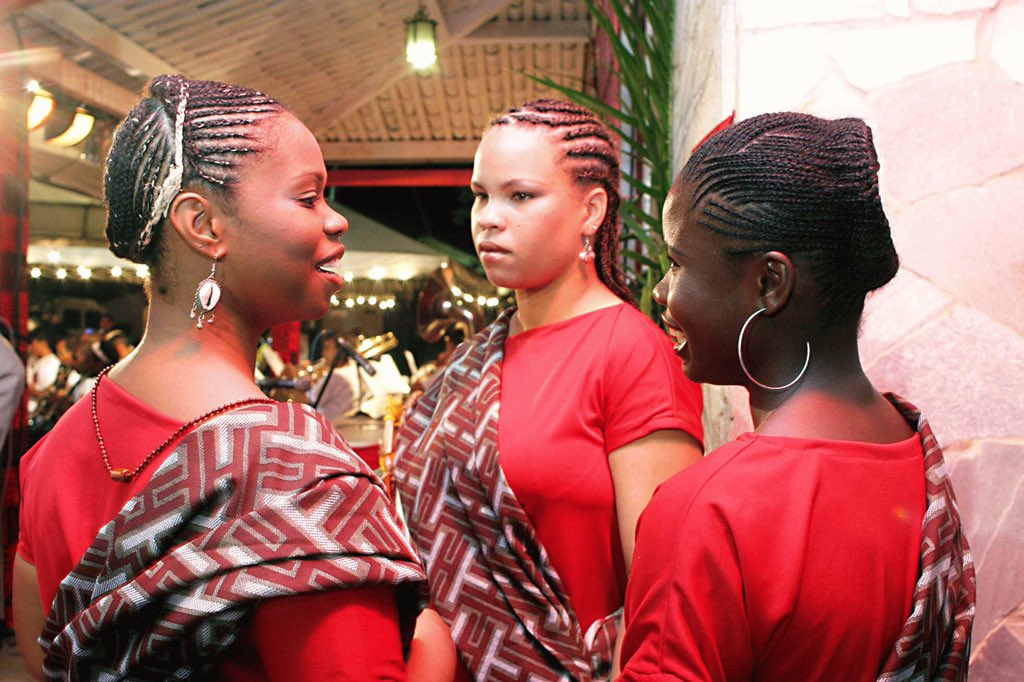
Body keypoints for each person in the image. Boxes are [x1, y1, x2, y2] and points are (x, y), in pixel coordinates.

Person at [14, 74, 446, 681]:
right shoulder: (296, 478)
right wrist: (434, 643)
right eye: (308, 197)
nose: (337, 221)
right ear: (205, 226)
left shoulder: (59, 444)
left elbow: (41, 658)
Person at [618, 112, 975, 681]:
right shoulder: (916, 456)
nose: (662, 291)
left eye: (678, 262)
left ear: (769, 283)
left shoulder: (707, 511)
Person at [394, 99, 705, 681]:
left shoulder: (631, 352)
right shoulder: (471, 361)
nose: (488, 217)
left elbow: (663, 592)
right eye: (481, 195)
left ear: (591, 209)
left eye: (521, 195)